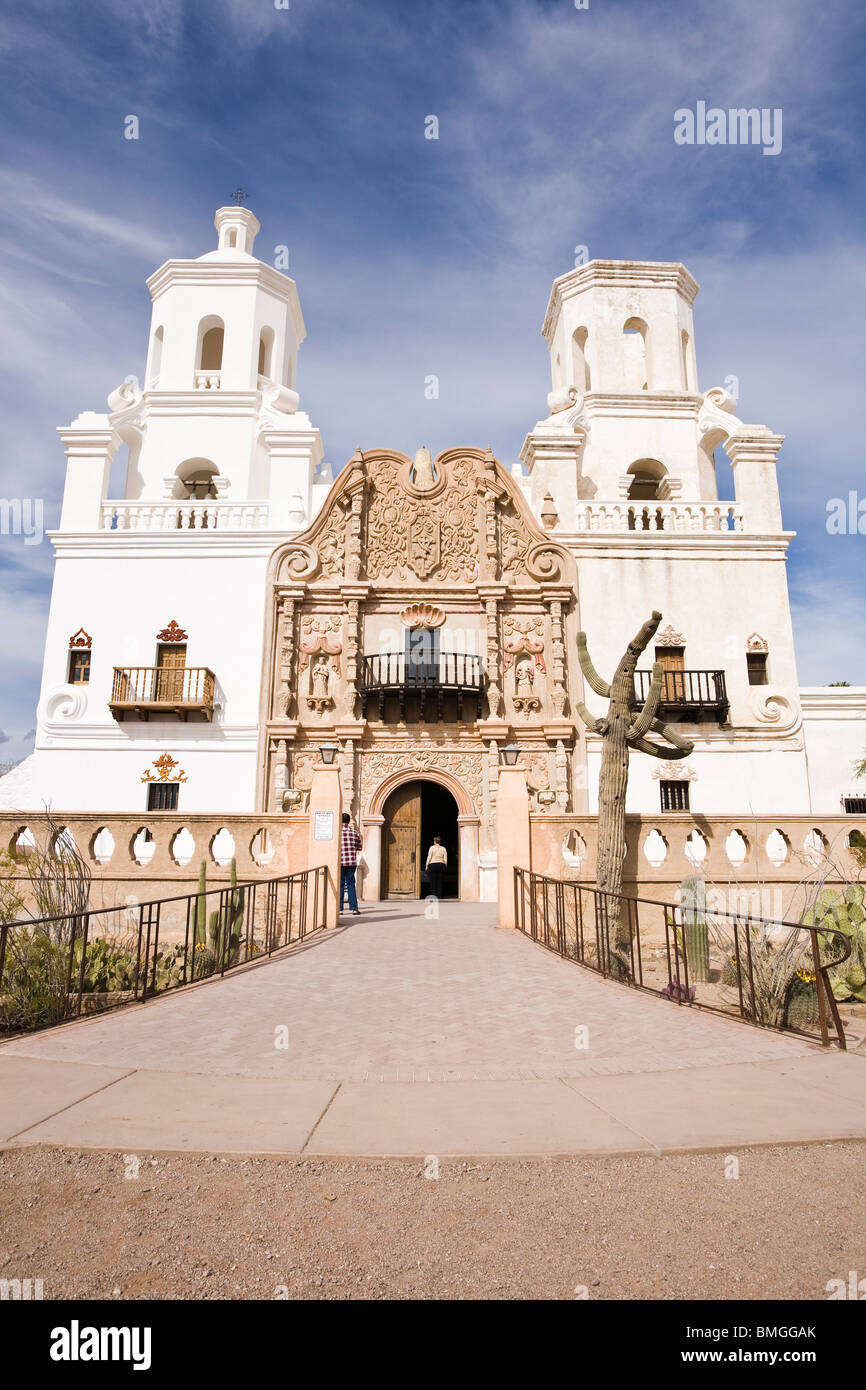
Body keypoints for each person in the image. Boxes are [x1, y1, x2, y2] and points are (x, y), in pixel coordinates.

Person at [340, 812, 362, 915]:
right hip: (351, 862)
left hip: (339, 863)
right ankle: (354, 908)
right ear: (349, 821)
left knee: (340, 885)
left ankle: (339, 908)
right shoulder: (354, 833)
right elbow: (359, 847)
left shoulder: (337, 832)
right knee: (351, 885)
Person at [425, 836, 447, 900]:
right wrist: (445, 865)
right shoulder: (443, 848)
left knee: (433, 881)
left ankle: (433, 896)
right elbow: (445, 858)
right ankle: (439, 896)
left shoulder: (432, 847)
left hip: (433, 865)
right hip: (441, 865)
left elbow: (429, 856)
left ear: (435, 842)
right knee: (440, 881)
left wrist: (427, 865)